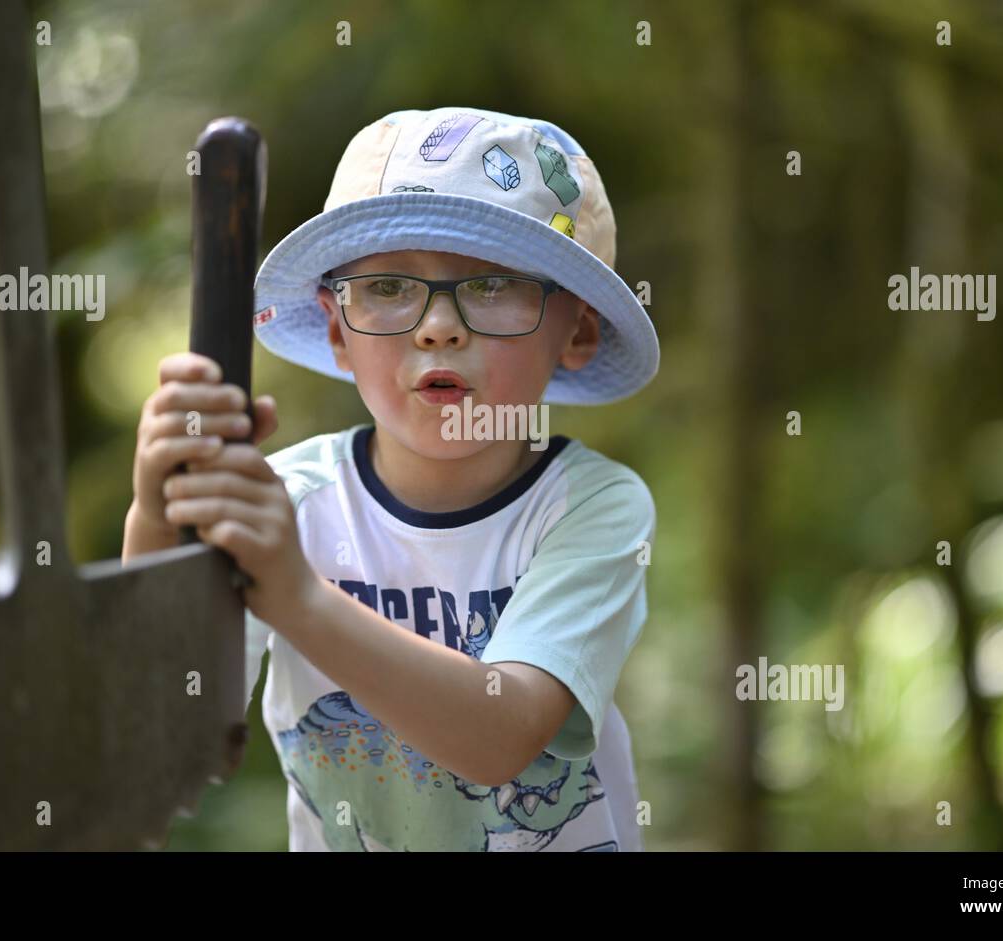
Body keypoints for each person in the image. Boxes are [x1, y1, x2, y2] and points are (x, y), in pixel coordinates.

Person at [123, 106, 659, 851]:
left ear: (577, 331)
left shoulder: (592, 508)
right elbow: (167, 727)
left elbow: (500, 738)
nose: (438, 325)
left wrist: (300, 599)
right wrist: (157, 512)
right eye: (387, 289)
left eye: (494, 282)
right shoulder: (287, 506)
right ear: (338, 329)